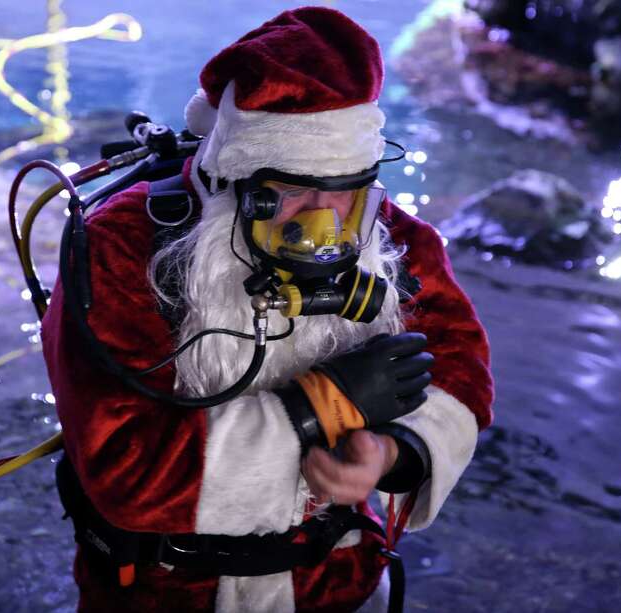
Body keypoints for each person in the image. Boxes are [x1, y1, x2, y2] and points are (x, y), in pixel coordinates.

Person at [42, 7, 493, 612]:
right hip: (164, 594)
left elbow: (461, 371)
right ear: (235, 178)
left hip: (337, 584)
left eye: (345, 190)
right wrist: (319, 410)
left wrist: (394, 454)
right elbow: (125, 466)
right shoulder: (122, 245)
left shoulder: (392, 237)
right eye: (291, 191)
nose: (323, 221)